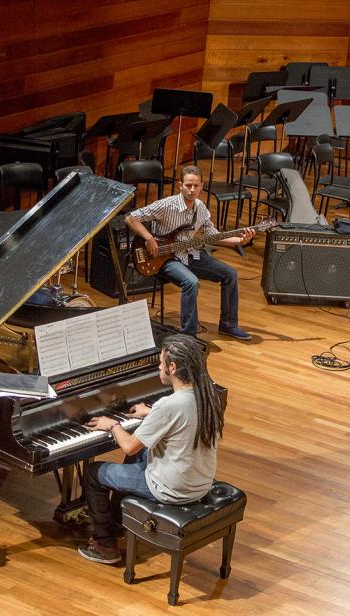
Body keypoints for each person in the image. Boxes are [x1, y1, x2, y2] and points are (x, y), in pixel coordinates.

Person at [78, 334, 224, 564]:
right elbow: (179, 416)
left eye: (160, 363)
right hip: (199, 482)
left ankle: (105, 545)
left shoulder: (168, 406)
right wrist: (150, 412)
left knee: (93, 473)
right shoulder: (208, 395)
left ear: (173, 367)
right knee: (142, 452)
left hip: (172, 488)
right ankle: (116, 521)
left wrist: (112, 425)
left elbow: (127, 446)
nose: (158, 367)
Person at [125, 165, 255, 340]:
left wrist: (240, 241)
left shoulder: (200, 208)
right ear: (180, 185)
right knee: (191, 282)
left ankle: (228, 324)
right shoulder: (166, 205)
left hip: (190, 254)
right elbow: (130, 218)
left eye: (196, 186)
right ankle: (188, 336)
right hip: (163, 259)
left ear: (202, 186)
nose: (192, 190)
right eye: (188, 185)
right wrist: (148, 238)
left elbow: (213, 236)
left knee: (230, 273)